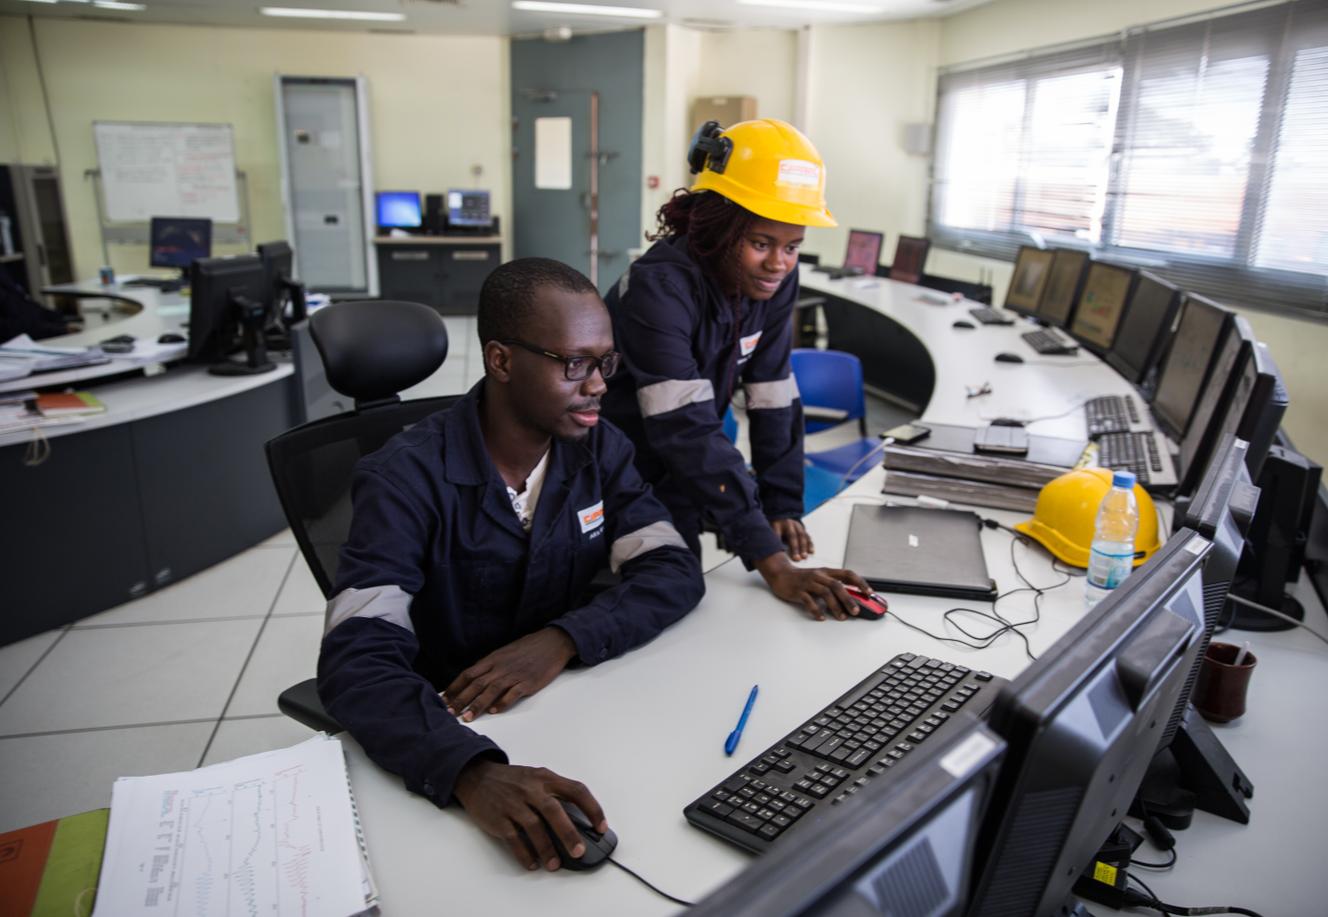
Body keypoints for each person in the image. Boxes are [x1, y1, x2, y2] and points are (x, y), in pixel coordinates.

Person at [318, 258, 705, 872]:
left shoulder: (600, 446)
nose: (600, 385)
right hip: (453, 716)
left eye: (606, 362)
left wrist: (563, 639)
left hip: (566, 702)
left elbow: (673, 564)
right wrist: (470, 772)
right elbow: (356, 658)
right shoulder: (401, 479)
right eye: (575, 364)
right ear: (501, 361)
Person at [601, 118, 870, 621]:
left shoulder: (771, 283)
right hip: (618, 471)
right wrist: (772, 563)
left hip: (681, 462)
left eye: (792, 246)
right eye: (762, 243)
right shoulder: (659, 288)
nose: (779, 264)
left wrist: (781, 505)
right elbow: (685, 428)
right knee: (670, 595)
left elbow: (773, 394)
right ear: (717, 228)